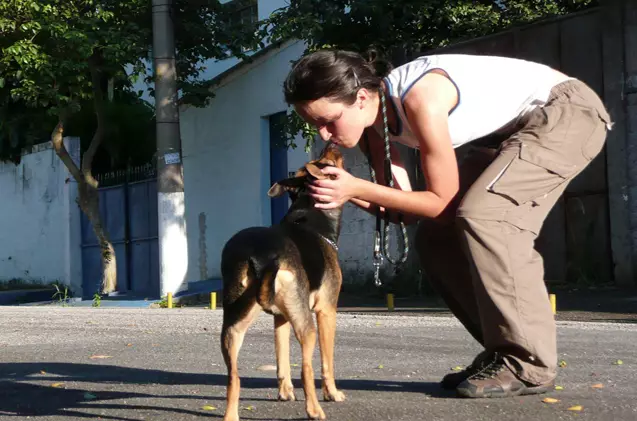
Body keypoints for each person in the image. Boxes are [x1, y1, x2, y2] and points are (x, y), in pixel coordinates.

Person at [282, 49, 612, 398]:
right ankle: (502, 350)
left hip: (566, 113)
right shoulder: (372, 129)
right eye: (313, 124)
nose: (323, 134)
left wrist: (356, 187)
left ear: (362, 98)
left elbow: (439, 201)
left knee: (488, 217)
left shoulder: (422, 99)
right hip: (503, 137)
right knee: (435, 238)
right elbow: (407, 211)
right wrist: (346, 193)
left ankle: (526, 362)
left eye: (329, 120)